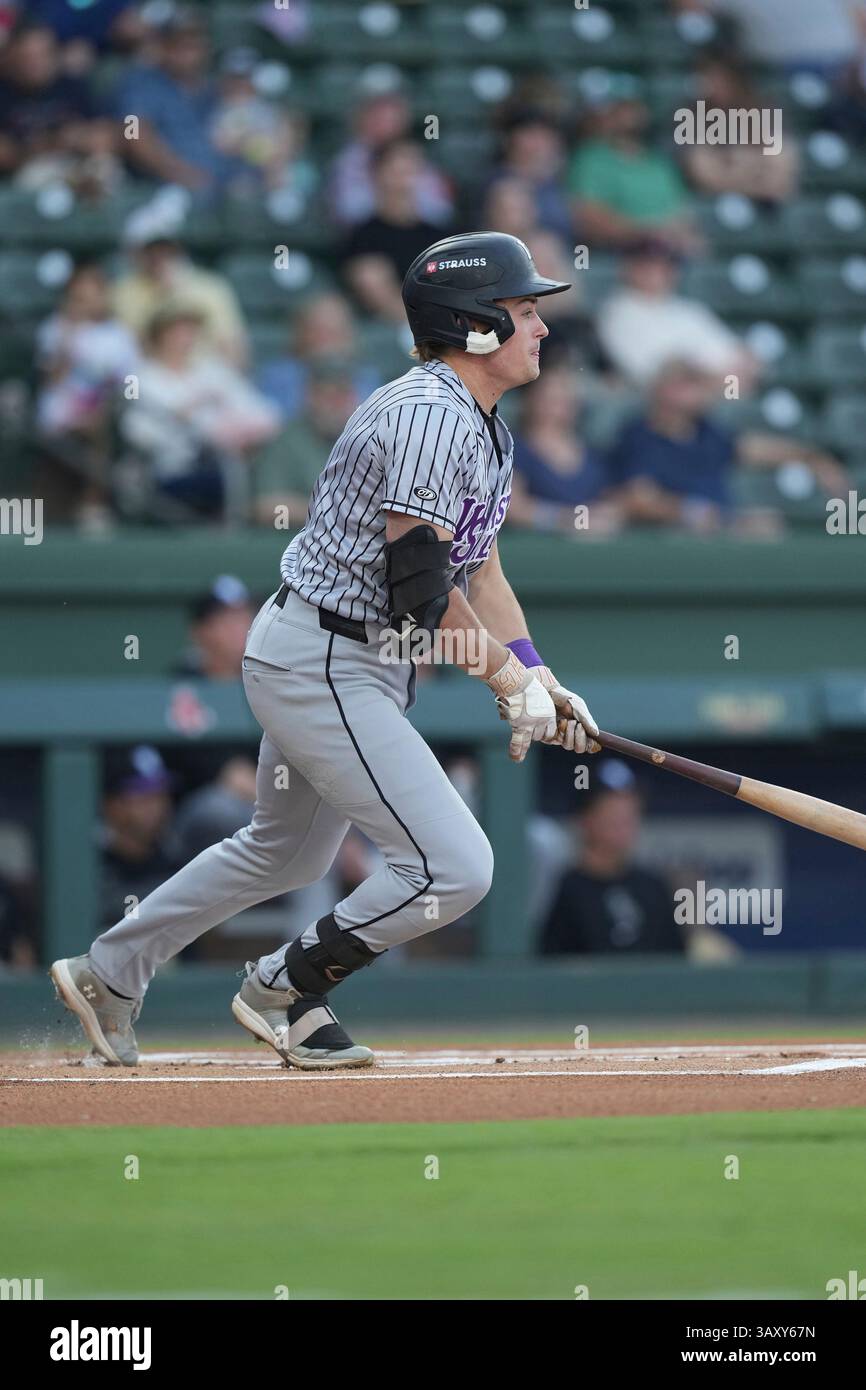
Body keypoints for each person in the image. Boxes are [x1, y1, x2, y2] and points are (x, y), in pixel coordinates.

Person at [50, 230, 600, 1070]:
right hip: (328, 655)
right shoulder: (426, 416)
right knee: (457, 866)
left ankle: (110, 973)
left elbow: (480, 567)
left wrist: (534, 670)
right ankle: (284, 989)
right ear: (475, 326)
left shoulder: (484, 427)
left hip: (342, 655)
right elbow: (421, 588)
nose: (542, 327)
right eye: (524, 311)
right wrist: (500, 680)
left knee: (283, 851)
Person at [608, 359, 847, 530]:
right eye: (692, 384)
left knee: (767, 527)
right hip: (670, 540)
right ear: (667, 390)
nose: (704, 392)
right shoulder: (639, 436)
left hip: (720, 532)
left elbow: (756, 449)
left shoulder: (707, 432)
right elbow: (636, 498)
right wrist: (691, 512)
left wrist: (814, 459)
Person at [119, 303, 279, 521]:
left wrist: (236, 431)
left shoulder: (212, 371)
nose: (185, 337)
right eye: (176, 330)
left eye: (190, 330)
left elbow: (265, 414)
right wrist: (190, 420)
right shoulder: (141, 377)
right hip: (167, 471)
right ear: (159, 335)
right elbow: (137, 432)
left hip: (227, 468)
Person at [539, 759, 685, 955]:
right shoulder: (566, 888)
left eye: (629, 814)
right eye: (611, 814)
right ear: (585, 819)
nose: (622, 825)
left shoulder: (653, 886)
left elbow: (676, 960)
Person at [596, 238, 757, 392]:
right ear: (627, 267)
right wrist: (706, 376)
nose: (657, 272)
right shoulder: (618, 313)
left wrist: (728, 376)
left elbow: (740, 357)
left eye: (665, 265)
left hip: (718, 395)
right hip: (664, 406)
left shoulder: (689, 309)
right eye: (648, 264)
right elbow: (650, 374)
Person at [568, 80, 698, 253]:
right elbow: (587, 216)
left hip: (665, 253)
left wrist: (678, 236)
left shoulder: (658, 162)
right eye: (620, 109)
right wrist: (646, 234)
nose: (627, 115)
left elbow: (681, 214)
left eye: (632, 107)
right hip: (620, 253)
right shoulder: (590, 158)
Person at [0, 17, 119, 195]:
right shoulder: (4, 91)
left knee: (105, 169)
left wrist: (81, 136)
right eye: (27, 57)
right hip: (30, 172)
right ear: (11, 57)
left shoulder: (73, 86)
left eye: (42, 54)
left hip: (78, 161)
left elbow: (111, 135)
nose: (36, 64)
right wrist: (45, 144)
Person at [507, 363, 623, 537]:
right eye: (548, 399)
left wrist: (608, 514)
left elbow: (614, 502)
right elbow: (512, 508)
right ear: (531, 400)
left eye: (563, 400)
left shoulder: (591, 452)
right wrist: (569, 519)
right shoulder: (513, 447)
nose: (555, 408)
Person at [339, 139, 447, 324]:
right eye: (397, 170)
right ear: (377, 174)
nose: (405, 179)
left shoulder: (441, 237)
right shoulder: (362, 237)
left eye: (412, 169)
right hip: (391, 331)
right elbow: (374, 292)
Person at [114, 222, 249, 368]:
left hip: (207, 371)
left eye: (167, 251)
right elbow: (134, 348)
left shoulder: (211, 286)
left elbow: (232, 347)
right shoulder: (124, 291)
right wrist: (167, 294)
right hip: (154, 373)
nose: (160, 257)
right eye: (153, 251)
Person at [252, 359, 360, 527]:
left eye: (343, 396)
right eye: (329, 396)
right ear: (310, 397)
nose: (337, 405)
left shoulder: (368, 439)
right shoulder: (288, 442)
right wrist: (334, 513)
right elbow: (269, 510)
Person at [681, 54, 800, 204]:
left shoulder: (762, 111)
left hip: (770, 206)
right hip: (713, 204)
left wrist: (735, 166)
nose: (715, 86)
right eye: (709, 79)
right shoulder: (691, 116)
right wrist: (750, 171)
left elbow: (782, 172)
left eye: (722, 79)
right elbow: (704, 174)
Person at [327, 90, 453, 229]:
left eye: (393, 120)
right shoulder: (349, 161)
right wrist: (391, 199)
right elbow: (349, 212)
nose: (386, 127)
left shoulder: (415, 155)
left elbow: (440, 210)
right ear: (362, 120)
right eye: (379, 120)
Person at [99, 746, 179, 933]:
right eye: (142, 795)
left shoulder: (177, 860)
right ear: (112, 804)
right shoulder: (88, 864)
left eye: (160, 794)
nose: (155, 806)